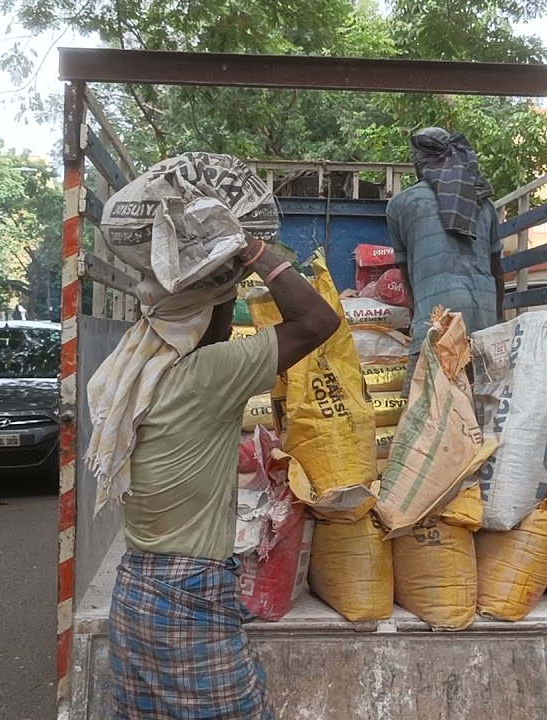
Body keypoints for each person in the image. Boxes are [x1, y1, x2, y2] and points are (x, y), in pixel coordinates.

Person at [88, 239, 339, 720]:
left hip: (135, 588)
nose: (228, 323)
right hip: (188, 595)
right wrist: (254, 251)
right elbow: (317, 321)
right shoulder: (206, 373)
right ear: (203, 317)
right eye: (226, 305)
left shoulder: (135, 368)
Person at [387, 127, 504, 396]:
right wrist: (497, 321)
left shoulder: (401, 205)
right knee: (482, 408)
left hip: (435, 325)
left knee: (423, 410)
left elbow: (408, 279)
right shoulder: (484, 203)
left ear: (418, 162)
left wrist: (418, 326)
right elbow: (497, 272)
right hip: (484, 325)